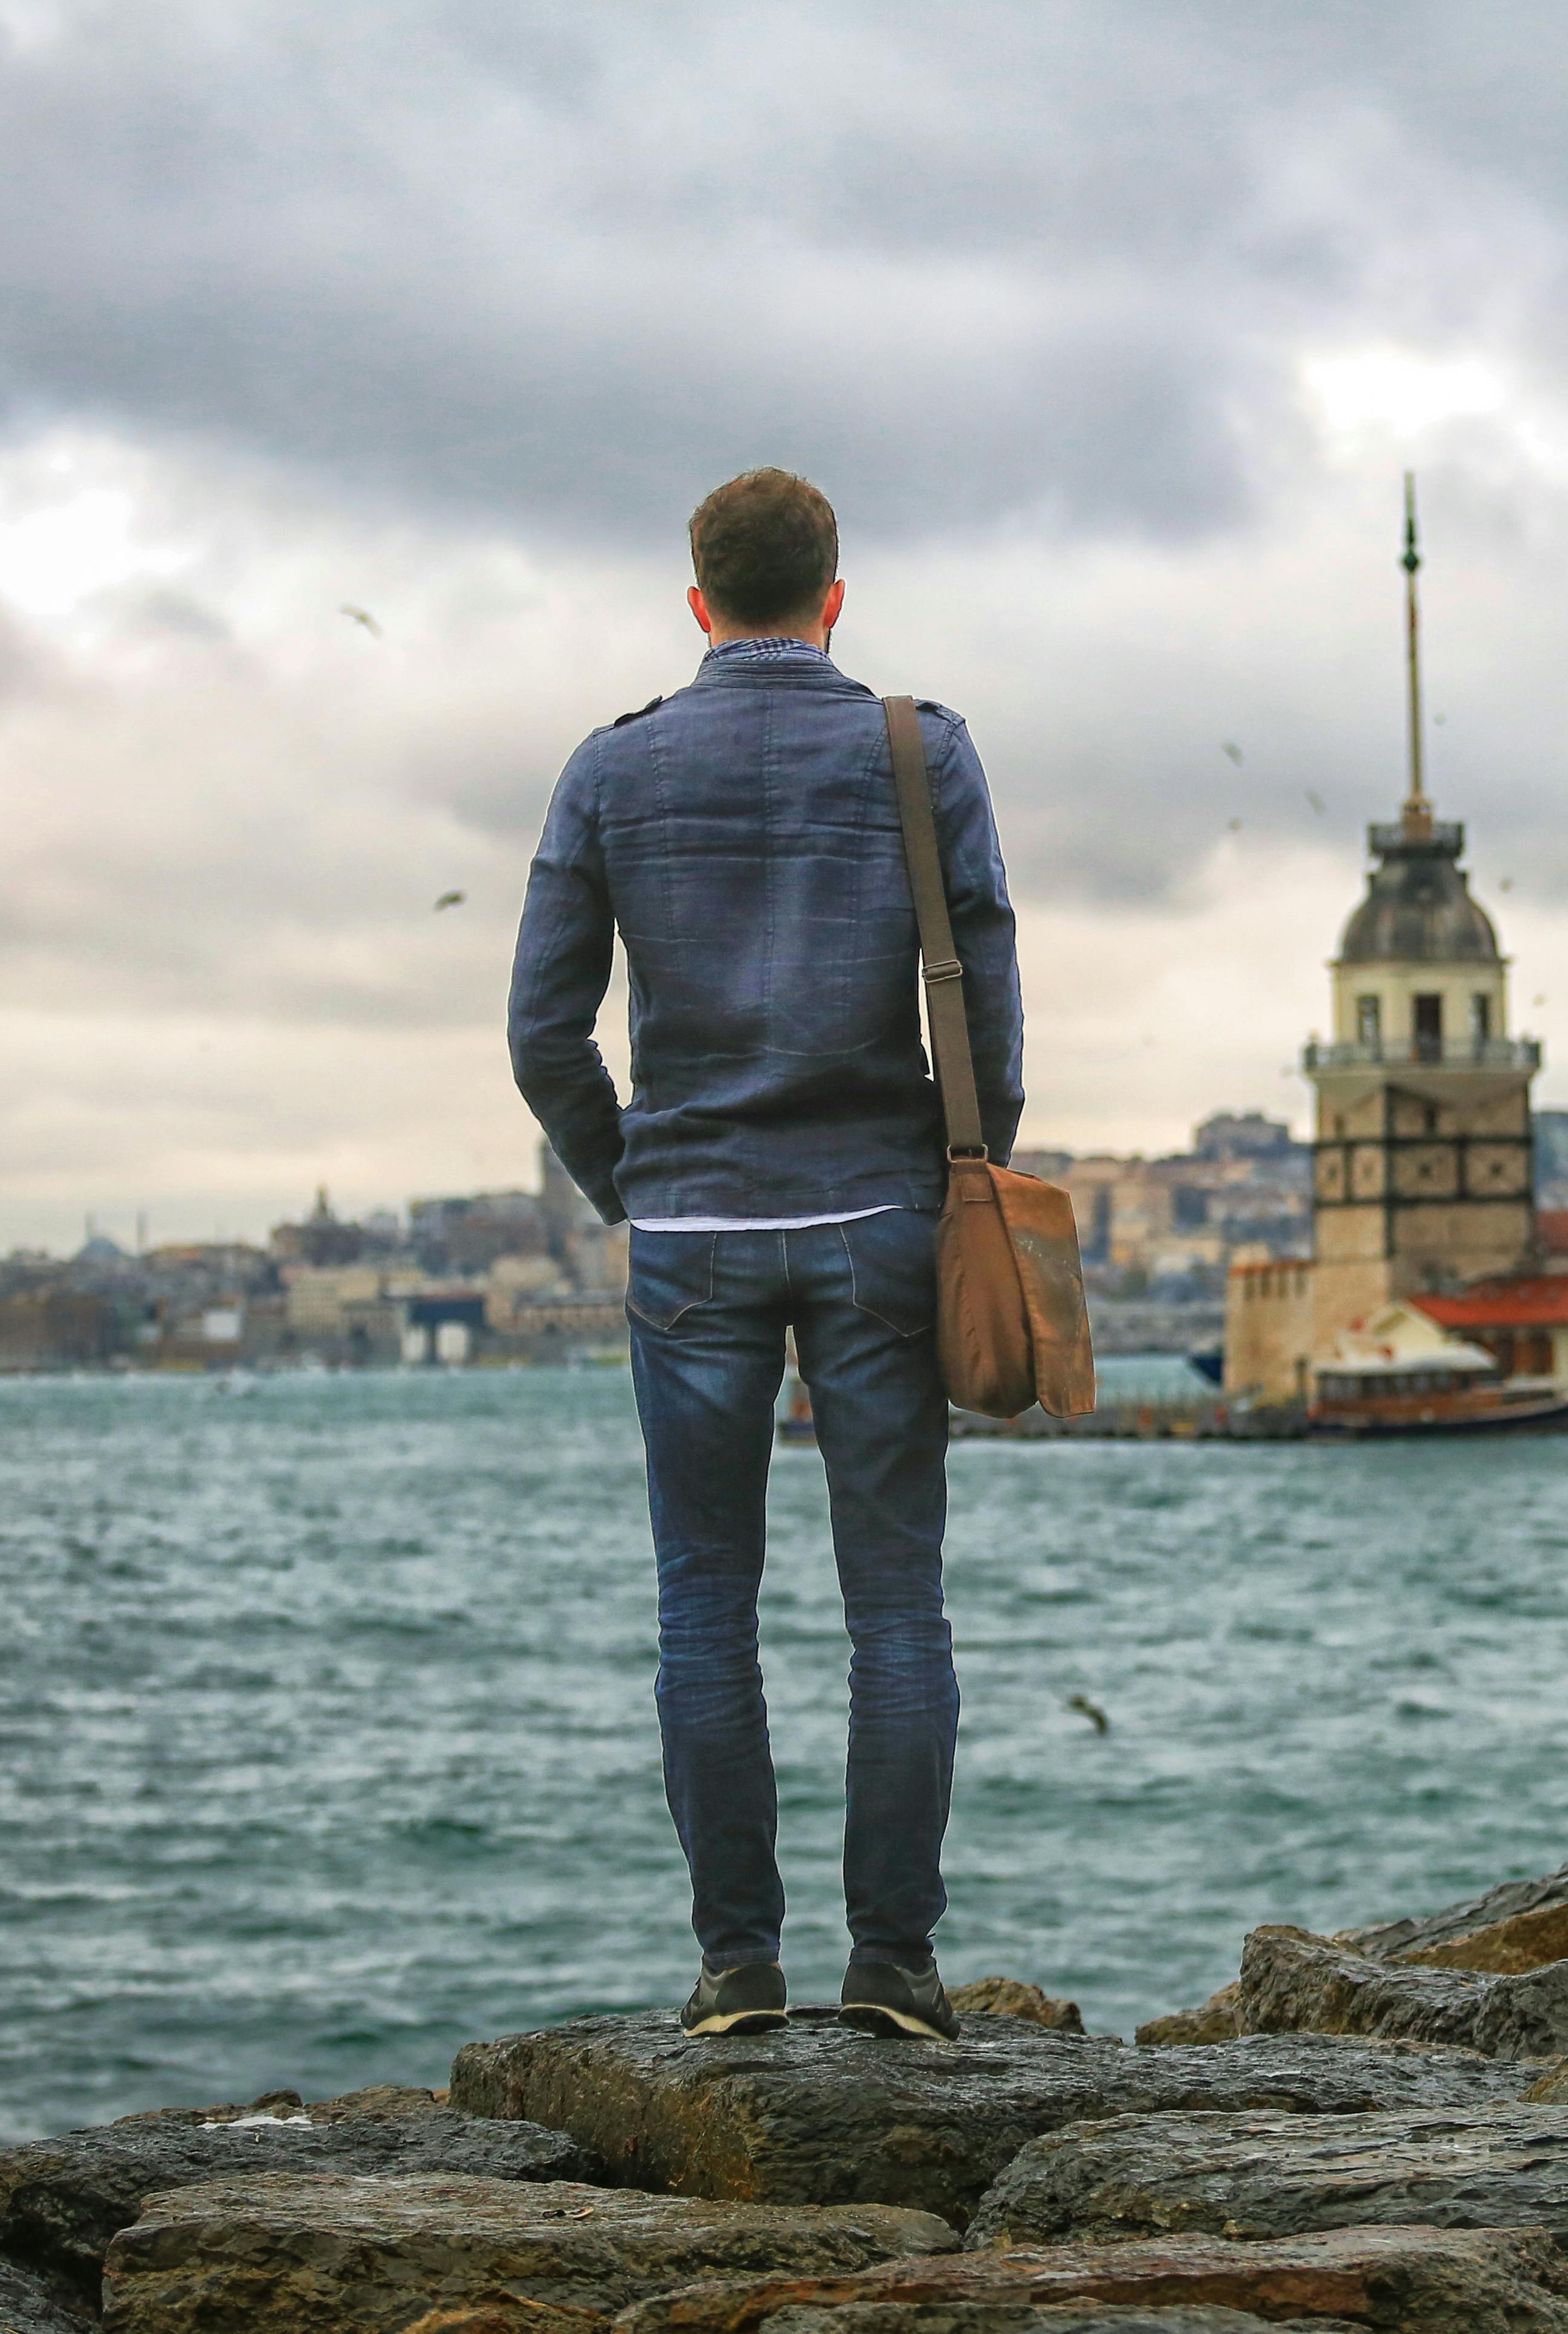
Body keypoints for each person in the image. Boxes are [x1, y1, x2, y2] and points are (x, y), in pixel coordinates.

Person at [508, 469, 1022, 2040]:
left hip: (694, 1231)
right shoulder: (919, 750)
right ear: (836, 595)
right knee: (896, 1615)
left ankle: (738, 1969)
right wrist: (962, 1174)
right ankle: (895, 1970)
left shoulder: (614, 769)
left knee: (703, 1609)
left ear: (697, 601)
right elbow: (985, 998)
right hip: (878, 1217)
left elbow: (544, 1031)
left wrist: (632, 1182)